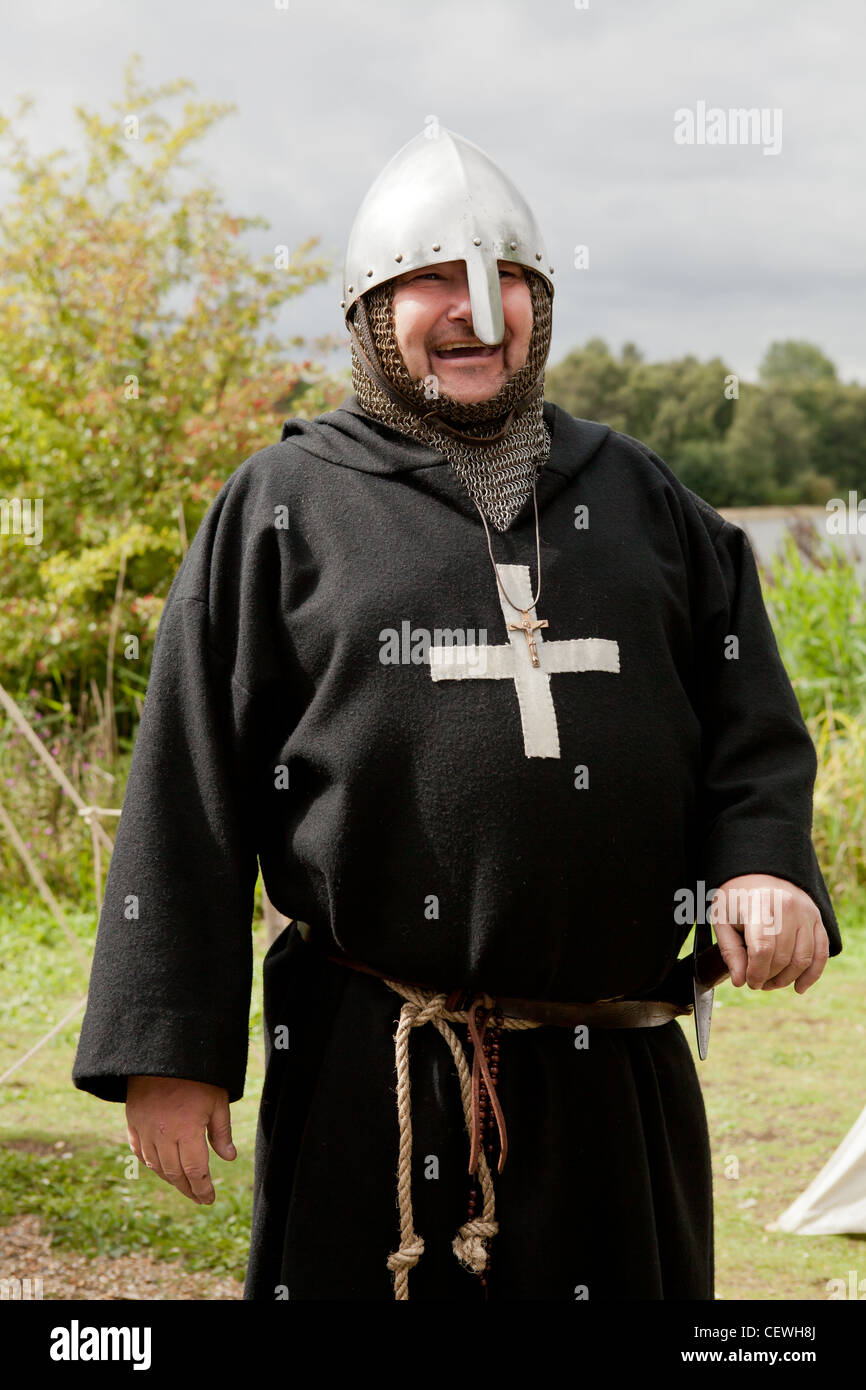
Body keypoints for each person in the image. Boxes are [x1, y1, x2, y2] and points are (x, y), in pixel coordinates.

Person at [73, 128, 840, 1302]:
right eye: (433, 280)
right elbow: (190, 782)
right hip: (370, 1065)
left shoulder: (640, 498)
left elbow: (748, 720)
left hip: (615, 1072)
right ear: (372, 312)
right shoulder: (286, 506)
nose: (476, 310)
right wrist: (167, 1049)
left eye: (508, 282)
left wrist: (764, 864)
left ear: (539, 302)